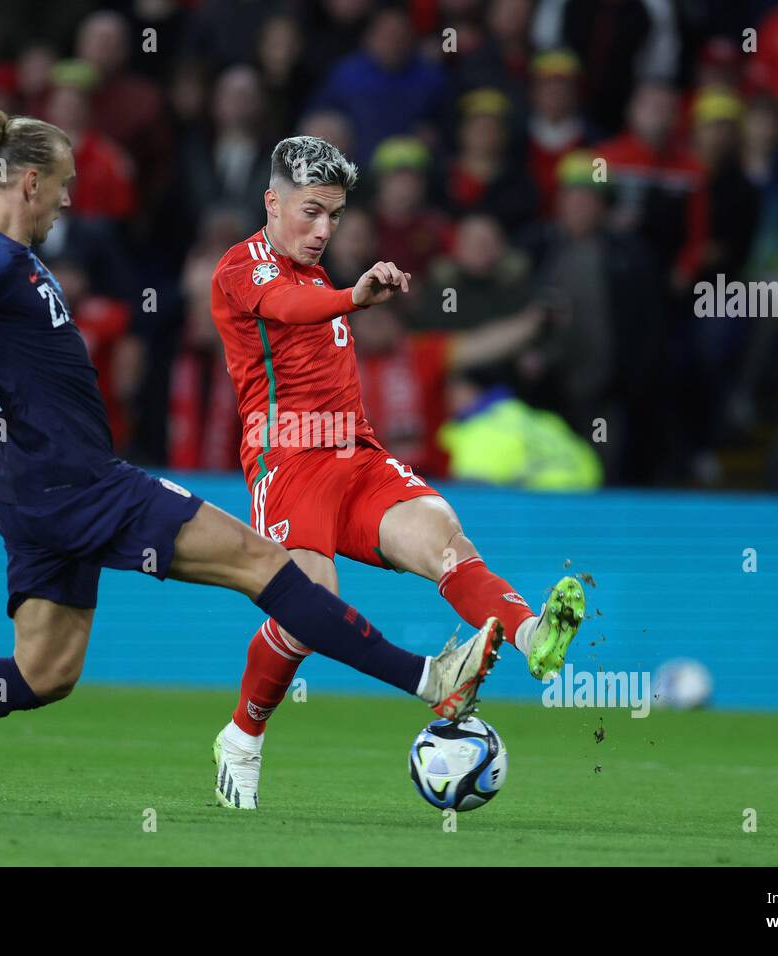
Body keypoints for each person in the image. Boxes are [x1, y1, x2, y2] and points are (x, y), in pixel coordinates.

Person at [0, 108, 504, 807]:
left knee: (42, 673)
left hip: (31, 487)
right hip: (79, 481)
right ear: (29, 183)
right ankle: (430, 677)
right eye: (61, 187)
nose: (65, 203)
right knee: (267, 566)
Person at [207, 135, 587, 810]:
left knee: (445, 539)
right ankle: (242, 735)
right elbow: (290, 310)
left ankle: (533, 639)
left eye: (334, 216)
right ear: (273, 202)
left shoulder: (322, 279)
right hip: (288, 460)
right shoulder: (244, 271)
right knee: (308, 606)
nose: (323, 230)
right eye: (311, 212)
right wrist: (355, 296)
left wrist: (348, 294)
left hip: (358, 454)